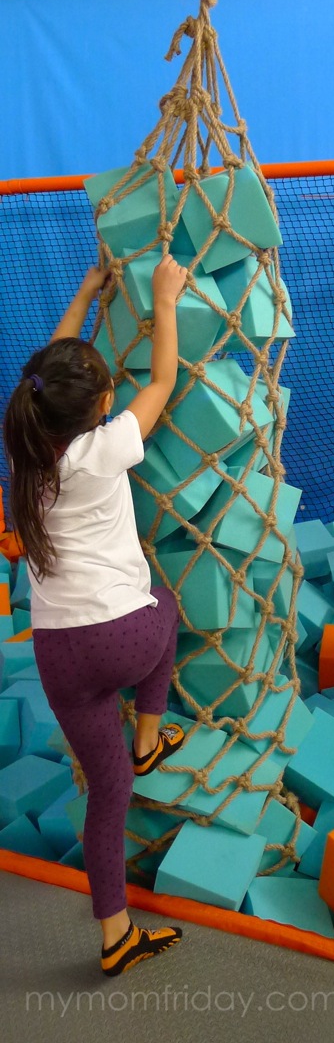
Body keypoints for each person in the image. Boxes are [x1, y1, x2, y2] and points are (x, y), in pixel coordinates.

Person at [4, 256, 189, 977]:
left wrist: (82, 294)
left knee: (108, 796)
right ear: (98, 407)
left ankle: (115, 934)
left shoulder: (26, 452)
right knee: (165, 607)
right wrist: (164, 301)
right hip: (120, 639)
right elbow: (164, 382)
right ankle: (149, 730)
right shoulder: (101, 450)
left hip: (57, 654)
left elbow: (45, 375)